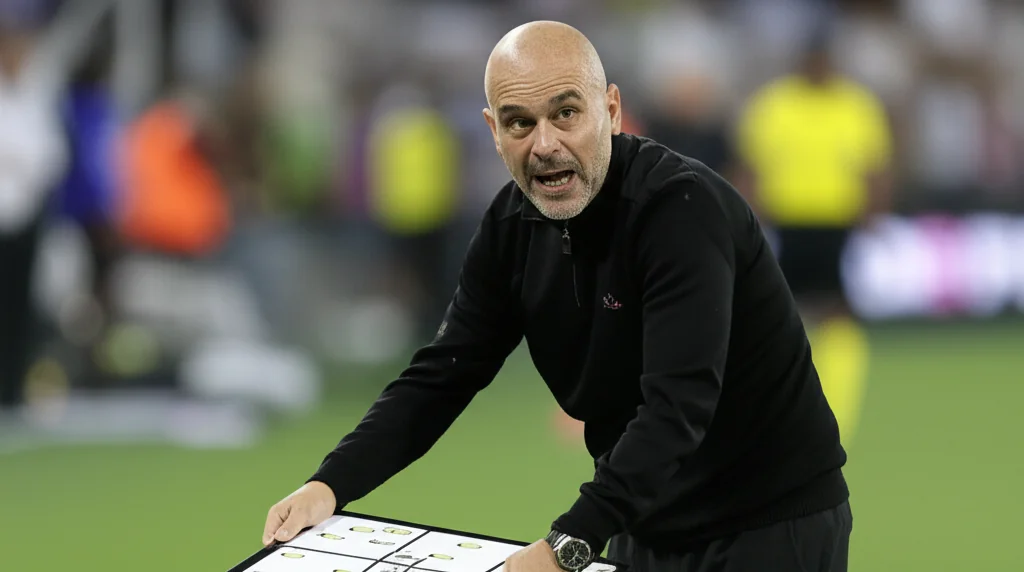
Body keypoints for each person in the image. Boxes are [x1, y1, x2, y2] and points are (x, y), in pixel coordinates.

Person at [263, 21, 852, 572]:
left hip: (771, 522)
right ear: (495, 133)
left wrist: (568, 542)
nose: (545, 143)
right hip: (642, 523)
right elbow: (442, 375)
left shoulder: (680, 209)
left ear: (612, 110)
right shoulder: (510, 227)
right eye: (520, 122)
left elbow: (678, 405)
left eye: (566, 113)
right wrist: (330, 485)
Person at [735, 28, 894, 445]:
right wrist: (748, 217)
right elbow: (750, 168)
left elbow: (874, 168)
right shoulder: (774, 105)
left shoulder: (856, 106)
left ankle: (835, 410)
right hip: (787, 224)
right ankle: (785, 402)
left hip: (836, 225)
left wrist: (873, 214)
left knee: (838, 315)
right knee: (784, 314)